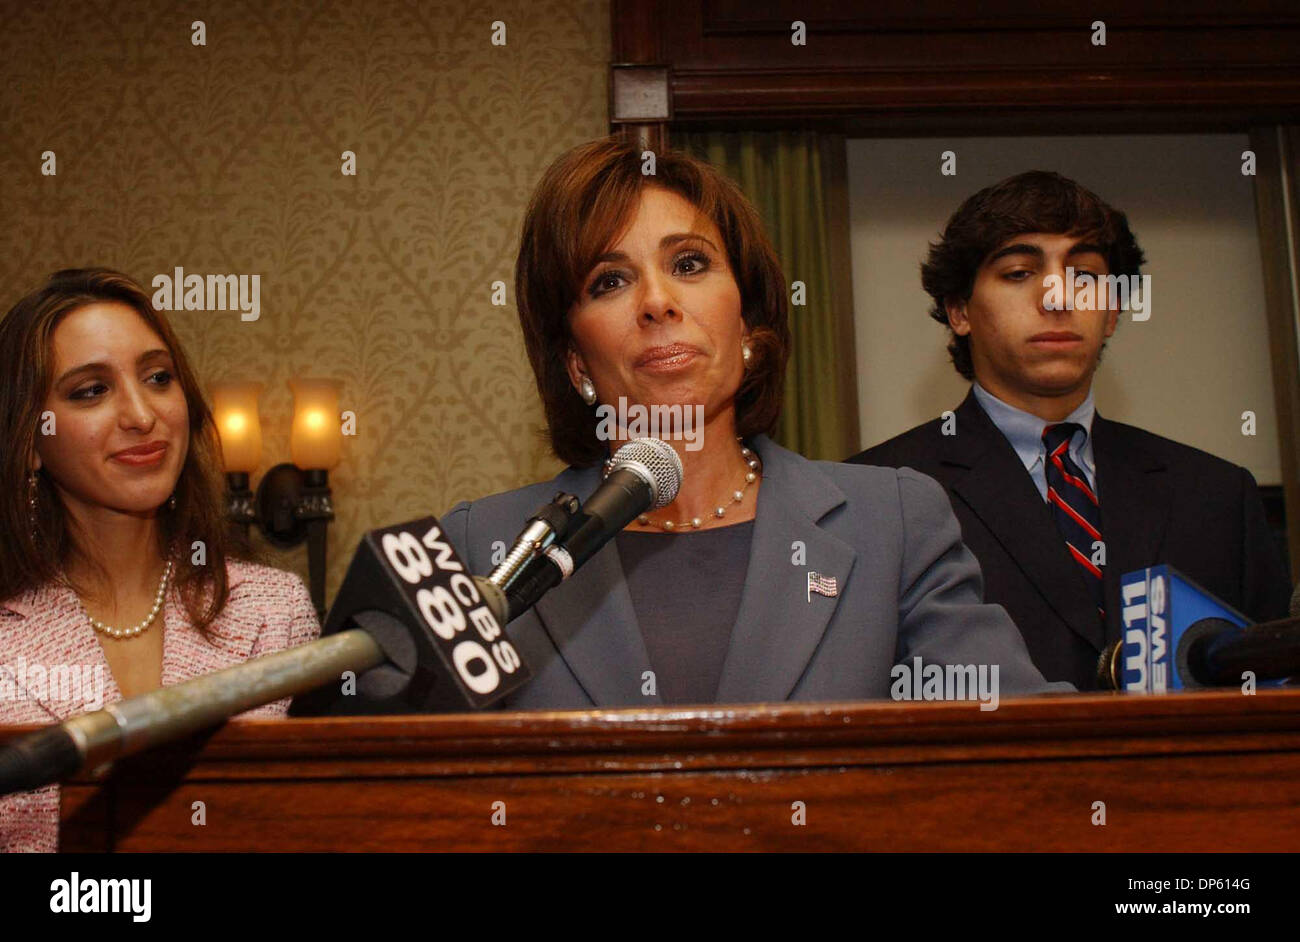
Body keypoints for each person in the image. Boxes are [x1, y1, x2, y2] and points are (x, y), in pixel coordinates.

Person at [440, 138, 1070, 711]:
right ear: (575, 360)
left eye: (688, 264)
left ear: (747, 325)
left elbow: (1019, 742)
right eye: (610, 281)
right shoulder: (479, 546)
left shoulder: (892, 523)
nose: (658, 302)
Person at [849, 171, 1292, 689]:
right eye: (1018, 273)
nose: (1059, 296)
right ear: (960, 310)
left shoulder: (1217, 495)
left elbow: (1276, 693)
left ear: (1112, 312)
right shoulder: (878, 493)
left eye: (1084, 275)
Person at [0, 268, 320, 852]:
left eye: (157, 377)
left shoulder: (274, 609)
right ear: (29, 440)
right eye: (90, 390)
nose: (141, 415)